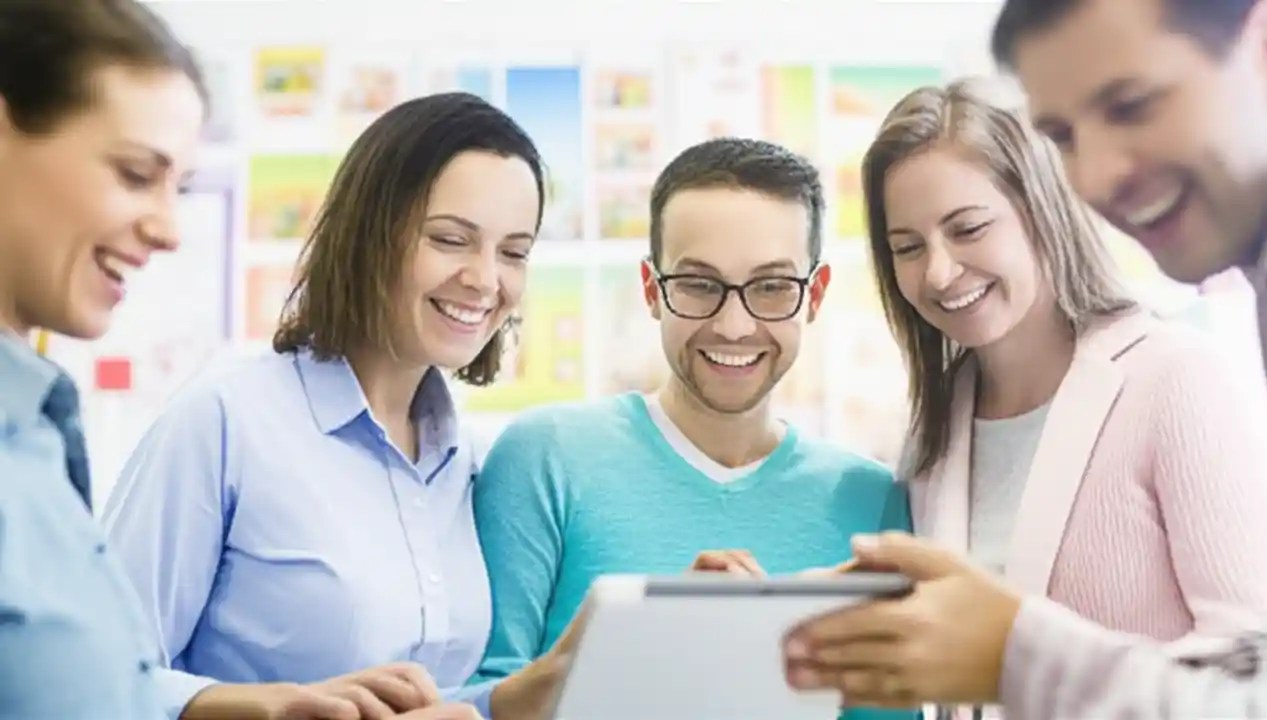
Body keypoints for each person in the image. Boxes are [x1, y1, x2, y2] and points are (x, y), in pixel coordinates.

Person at [781, 0, 1267, 717]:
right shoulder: (933, 427)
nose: (941, 273)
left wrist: (1017, 657)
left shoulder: (1174, 379)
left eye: (969, 227)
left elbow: (1247, 663)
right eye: (907, 248)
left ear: (1039, 206)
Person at [0, 2, 478, 719]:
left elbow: (109, 684)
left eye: (180, 188)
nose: (167, 230)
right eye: (135, 174)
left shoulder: (34, 429)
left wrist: (262, 706)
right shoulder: (225, 415)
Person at [101, 91, 560, 720]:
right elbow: (88, 678)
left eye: (513, 252)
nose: (485, 279)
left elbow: (421, 696)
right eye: (452, 240)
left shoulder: (465, 462)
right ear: (371, 233)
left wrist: (524, 693)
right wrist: (253, 707)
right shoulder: (227, 421)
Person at [467, 137, 913, 719]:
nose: (734, 325)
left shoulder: (869, 500)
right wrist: (653, 642)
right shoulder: (545, 458)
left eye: (772, 286)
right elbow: (475, 705)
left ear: (814, 294)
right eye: (699, 285)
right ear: (653, 290)